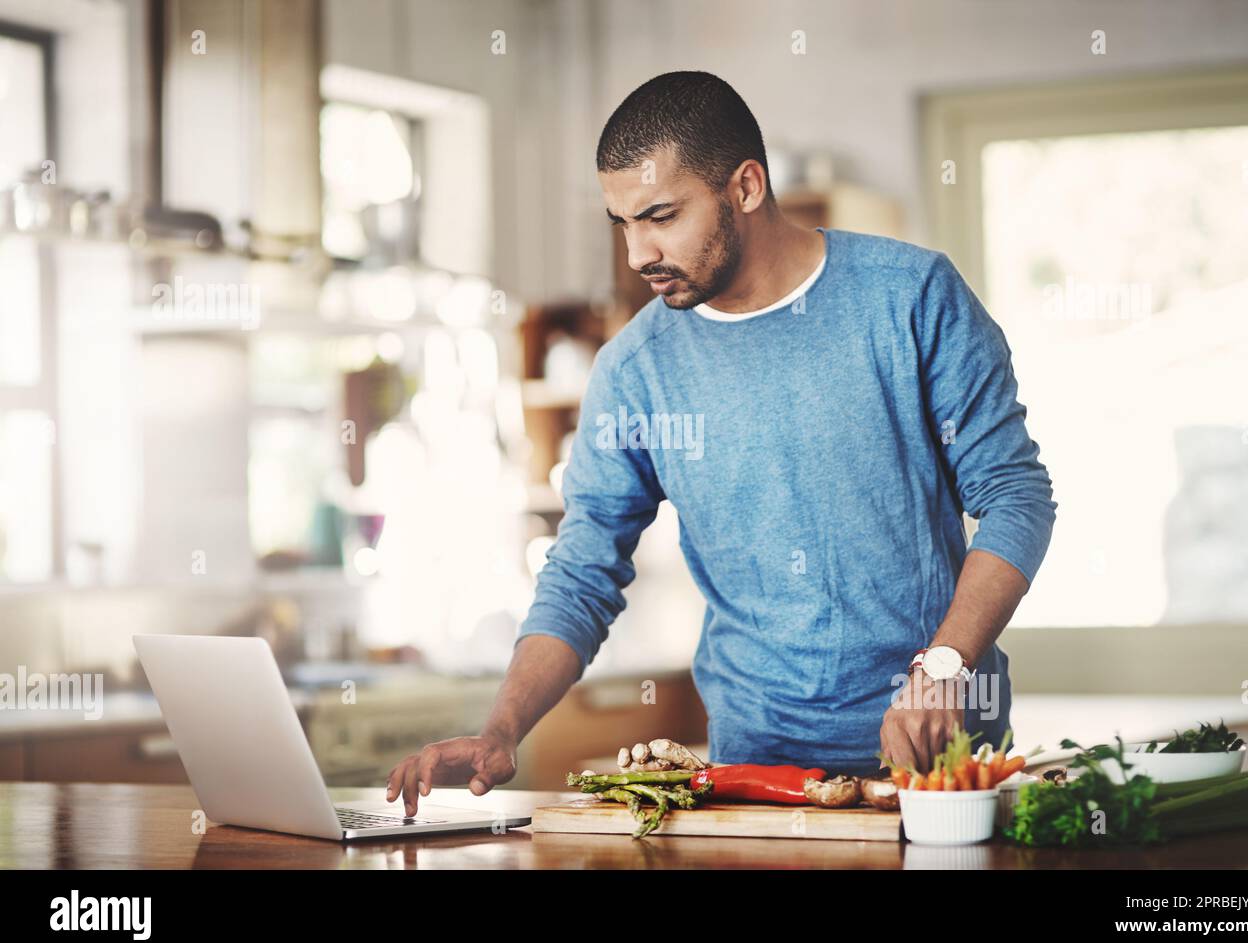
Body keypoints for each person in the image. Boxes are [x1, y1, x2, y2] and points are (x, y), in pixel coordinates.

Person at [387, 70, 1055, 815]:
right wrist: (502, 728)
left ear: (745, 186)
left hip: (945, 762)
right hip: (754, 775)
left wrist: (945, 666)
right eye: (624, 223)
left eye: (662, 216)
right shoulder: (636, 370)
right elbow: (582, 568)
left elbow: (1016, 498)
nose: (639, 253)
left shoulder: (911, 298)